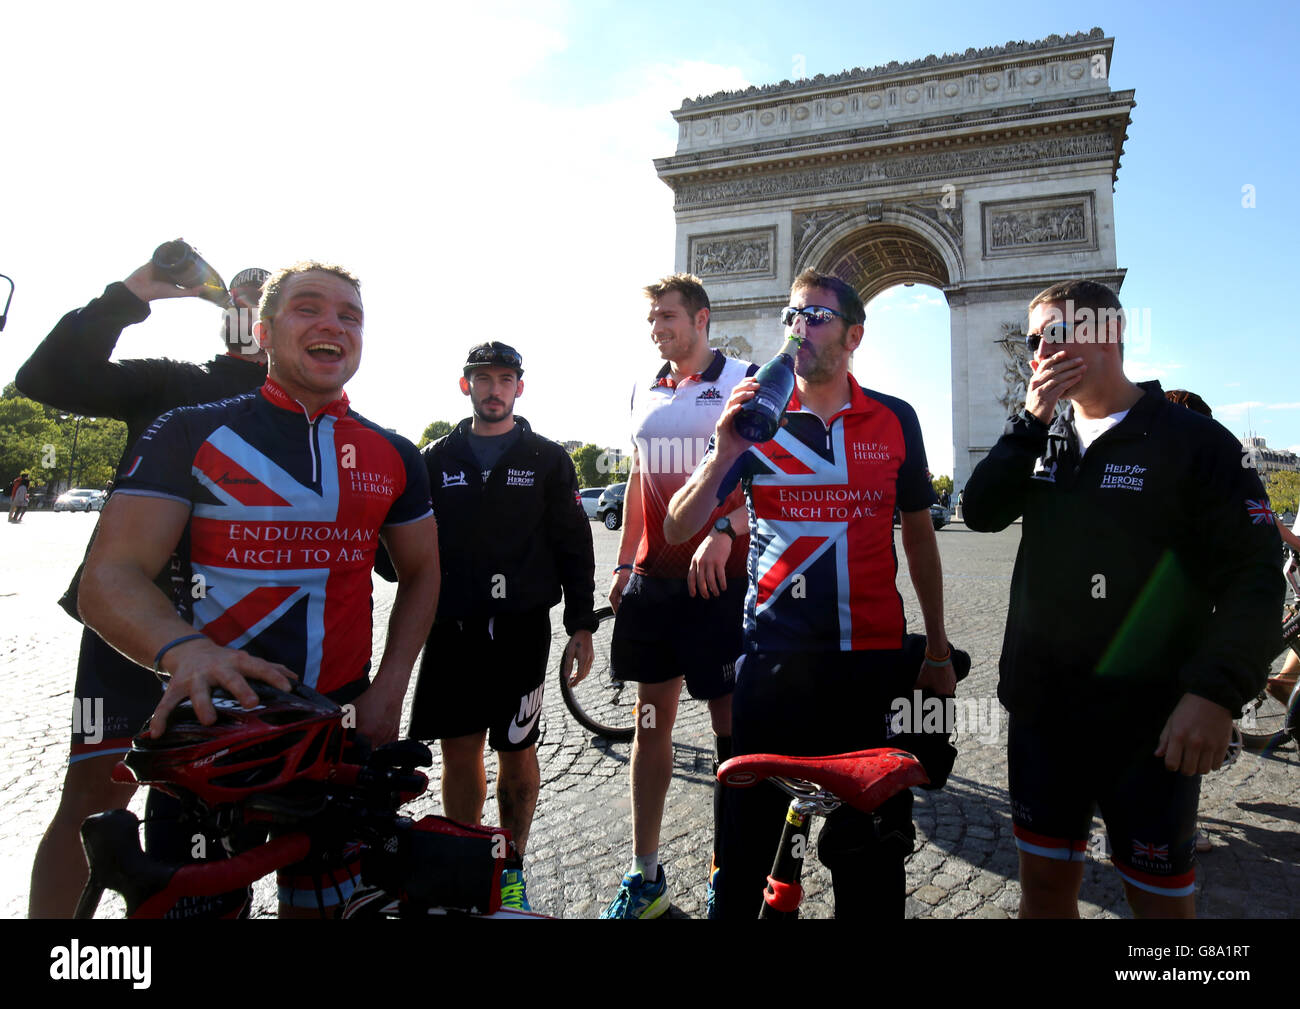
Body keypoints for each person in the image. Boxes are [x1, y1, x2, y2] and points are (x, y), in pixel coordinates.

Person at [77, 262, 440, 917]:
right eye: (308, 308)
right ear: (264, 331)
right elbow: (108, 577)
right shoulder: (189, 429)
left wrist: (390, 688)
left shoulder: (392, 453)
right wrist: (184, 650)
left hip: (339, 737)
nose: (333, 323)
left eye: (350, 315)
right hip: (212, 731)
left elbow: (422, 572)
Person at [963, 280, 1282, 919]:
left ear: (1109, 333)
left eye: (1053, 333)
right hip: (1045, 715)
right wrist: (1028, 421)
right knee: (1045, 893)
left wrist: (1217, 694)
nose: (1037, 351)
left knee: (1160, 907)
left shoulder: (1197, 442)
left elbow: (1255, 575)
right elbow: (979, 512)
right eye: (1031, 340)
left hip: (1151, 724)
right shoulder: (1042, 441)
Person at [664, 268, 956, 919]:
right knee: (743, 863)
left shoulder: (897, 418)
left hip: (873, 666)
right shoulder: (754, 418)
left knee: (873, 867)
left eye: (816, 317)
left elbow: (920, 541)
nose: (800, 329)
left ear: (855, 333)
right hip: (773, 665)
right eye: (792, 316)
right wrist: (722, 451)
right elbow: (678, 525)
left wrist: (935, 648)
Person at [18, 260, 271, 917]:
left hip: (245, 635)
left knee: (221, 815)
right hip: (135, 631)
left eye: (269, 301)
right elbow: (44, 378)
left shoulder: (315, 414)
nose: (252, 312)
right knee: (94, 803)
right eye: (240, 300)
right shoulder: (173, 382)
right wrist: (133, 294)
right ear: (226, 314)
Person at [406, 340, 596, 912]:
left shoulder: (546, 458)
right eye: (483, 378)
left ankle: (510, 863)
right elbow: (403, 542)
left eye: (505, 378)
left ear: (520, 386)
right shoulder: (434, 459)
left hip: (521, 631)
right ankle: (468, 862)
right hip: (453, 628)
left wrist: (581, 624)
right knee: (459, 751)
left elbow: (574, 542)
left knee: (517, 746)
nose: (494, 388)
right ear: (466, 385)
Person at [596, 273, 752, 920]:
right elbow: (637, 477)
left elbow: (769, 473)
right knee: (649, 722)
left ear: (701, 318)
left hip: (720, 582)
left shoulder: (746, 377)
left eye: (667, 316)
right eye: (651, 318)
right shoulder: (644, 386)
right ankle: (646, 875)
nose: (657, 327)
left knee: (730, 729)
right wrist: (626, 560)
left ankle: (732, 874)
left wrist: (725, 525)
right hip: (656, 584)